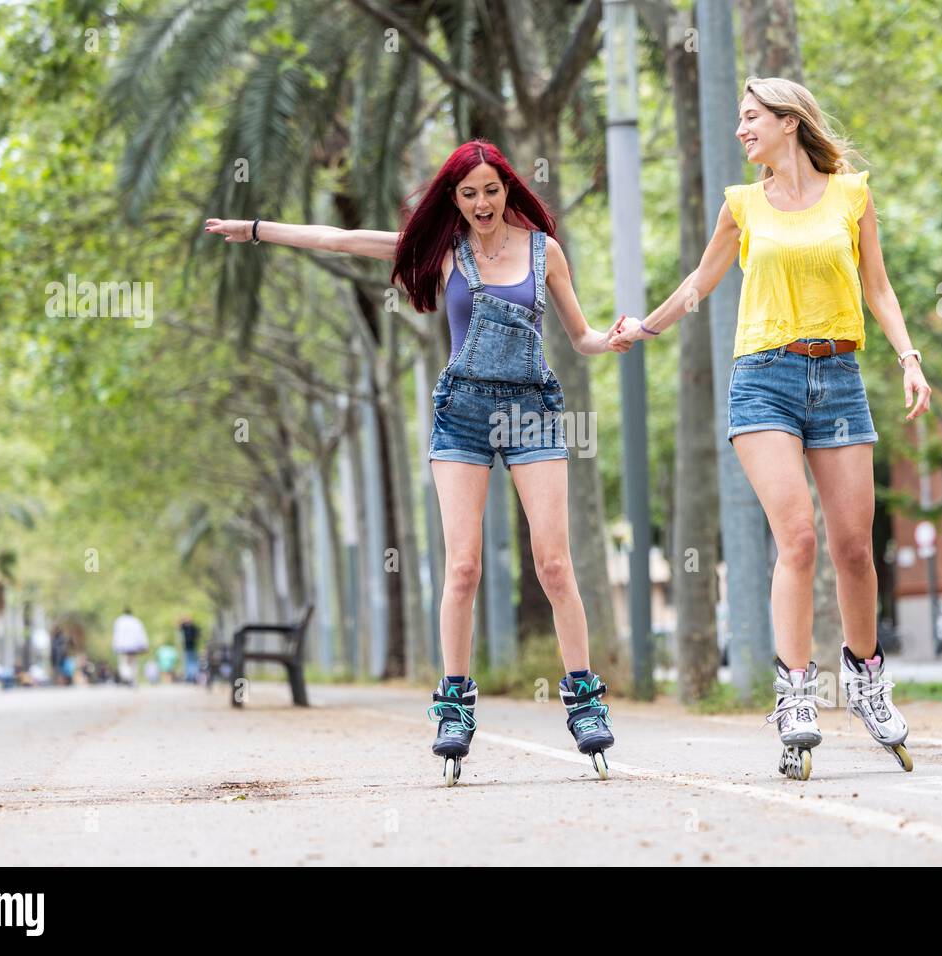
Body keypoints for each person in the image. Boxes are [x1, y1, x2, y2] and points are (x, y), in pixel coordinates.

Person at [206, 140, 630, 784]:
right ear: (453, 199)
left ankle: (583, 698)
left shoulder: (545, 252)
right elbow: (342, 239)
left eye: (491, 190)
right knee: (461, 568)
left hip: (532, 411)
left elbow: (581, 336)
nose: (482, 203)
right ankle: (456, 703)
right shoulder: (440, 250)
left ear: (507, 189)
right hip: (461, 410)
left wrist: (614, 338)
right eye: (468, 193)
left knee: (553, 563)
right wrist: (259, 230)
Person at [612, 77, 932, 780]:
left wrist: (908, 357)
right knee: (799, 537)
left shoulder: (852, 195)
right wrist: (646, 326)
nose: (740, 129)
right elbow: (701, 279)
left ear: (789, 122)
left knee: (853, 547)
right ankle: (795, 695)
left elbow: (876, 286)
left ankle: (867, 681)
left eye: (751, 117)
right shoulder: (742, 206)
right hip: (763, 380)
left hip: (840, 377)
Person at [111, 608, 149, 687]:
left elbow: (116, 635)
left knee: (124, 662)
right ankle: (133, 679)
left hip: (123, 646)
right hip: (134, 646)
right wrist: (144, 645)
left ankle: (128, 677)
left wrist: (115, 646)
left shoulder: (119, 621)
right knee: (133, 663)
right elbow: (141, 634)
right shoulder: (136, 621)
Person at [179, 617, 201, 683]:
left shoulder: (192, 628)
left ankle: (193, 676)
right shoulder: (186, 628)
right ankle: (191, 677)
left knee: (191, 663)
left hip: (192, 647)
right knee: (189, 663)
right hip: (188, 648)